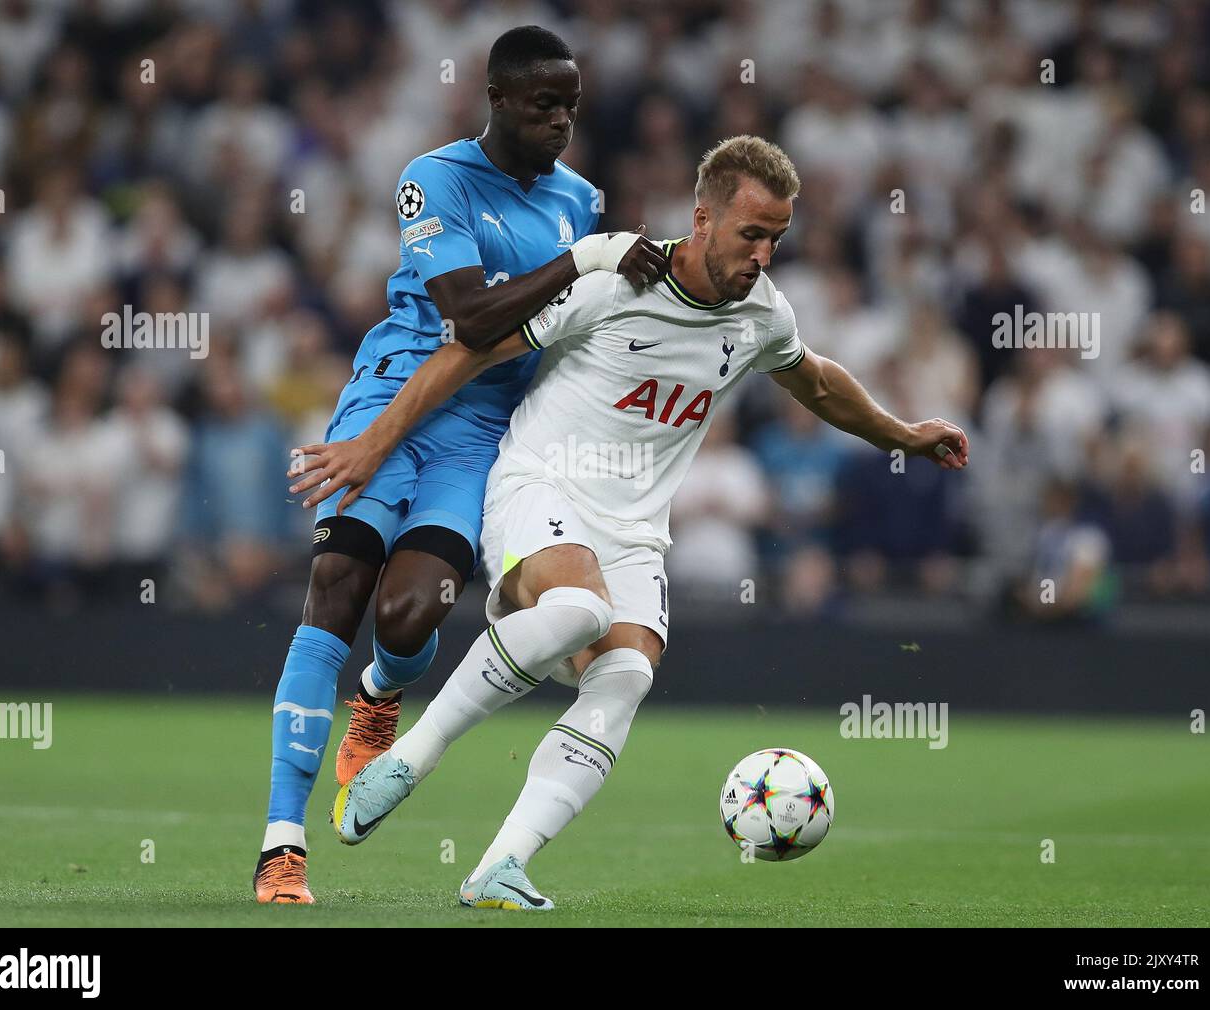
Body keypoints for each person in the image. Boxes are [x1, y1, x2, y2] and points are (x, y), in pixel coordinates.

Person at [299, 135, 969, 909]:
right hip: (539, 486)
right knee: (578, 610)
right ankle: (408, 759)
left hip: (635, 529)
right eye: (750, 233)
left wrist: (903, 434)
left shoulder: (759, 314)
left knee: (624, 677)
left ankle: (499, 868)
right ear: (703, 218)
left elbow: (815, 381)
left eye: (777, 239)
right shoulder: (618, 284)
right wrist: (372, 441)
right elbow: (471, 351)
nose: (763, 254)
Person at [253, 25, 668, 905]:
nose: (561, 120)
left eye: (572, 106)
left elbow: (563, 337)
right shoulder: (431, 179)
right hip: (392, 405)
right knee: (337, 583)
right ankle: (282, 842)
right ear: (499, 99)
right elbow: (472, 318)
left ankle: (380, 690)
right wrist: (584, 258)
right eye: (544, 104)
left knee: (407, 621)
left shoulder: (579, 198)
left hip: (482, 435)